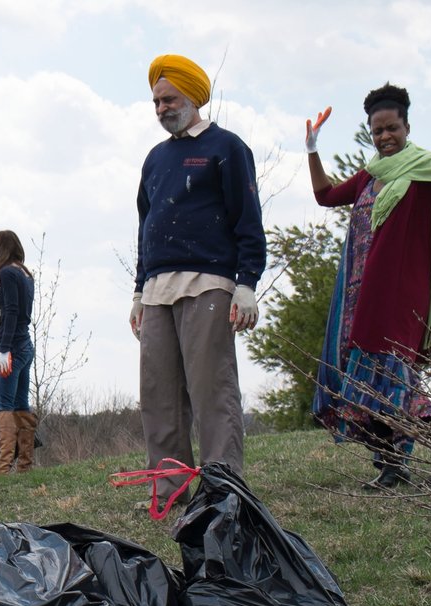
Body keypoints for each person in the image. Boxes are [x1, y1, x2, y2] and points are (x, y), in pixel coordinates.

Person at [307, 84, 431, 490]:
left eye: (392, 128)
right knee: (371, 380)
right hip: (362, 294)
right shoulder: (371, 175)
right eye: (377, 131)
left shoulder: (426, 169)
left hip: (402, 294)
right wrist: (312, 149)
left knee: (395, 378)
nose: (385, 137)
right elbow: (324, 196)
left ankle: (428, 456)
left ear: (407, 126)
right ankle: (410, 462)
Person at [130, 54, 265, 510]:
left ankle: (224, 490)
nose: (162, 108)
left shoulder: (226, 147)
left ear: (193, 96)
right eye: (155, 101)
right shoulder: (154, 158)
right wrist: (138, 290)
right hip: (157, 289)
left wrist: (247, 282)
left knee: (211, 390)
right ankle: (170, 492)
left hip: (210, 281)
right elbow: (146, 227)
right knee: (158, 395)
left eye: (168, 98)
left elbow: (248, 219)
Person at [0, 230, 37, 474]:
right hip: (26, 344)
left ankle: (4, 468)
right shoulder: (25, 273)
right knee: (21, 404)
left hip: (14, 346)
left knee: (3, 404)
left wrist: (4, 350)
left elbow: (10, 311)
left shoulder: (8, 273)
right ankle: (25, 465)